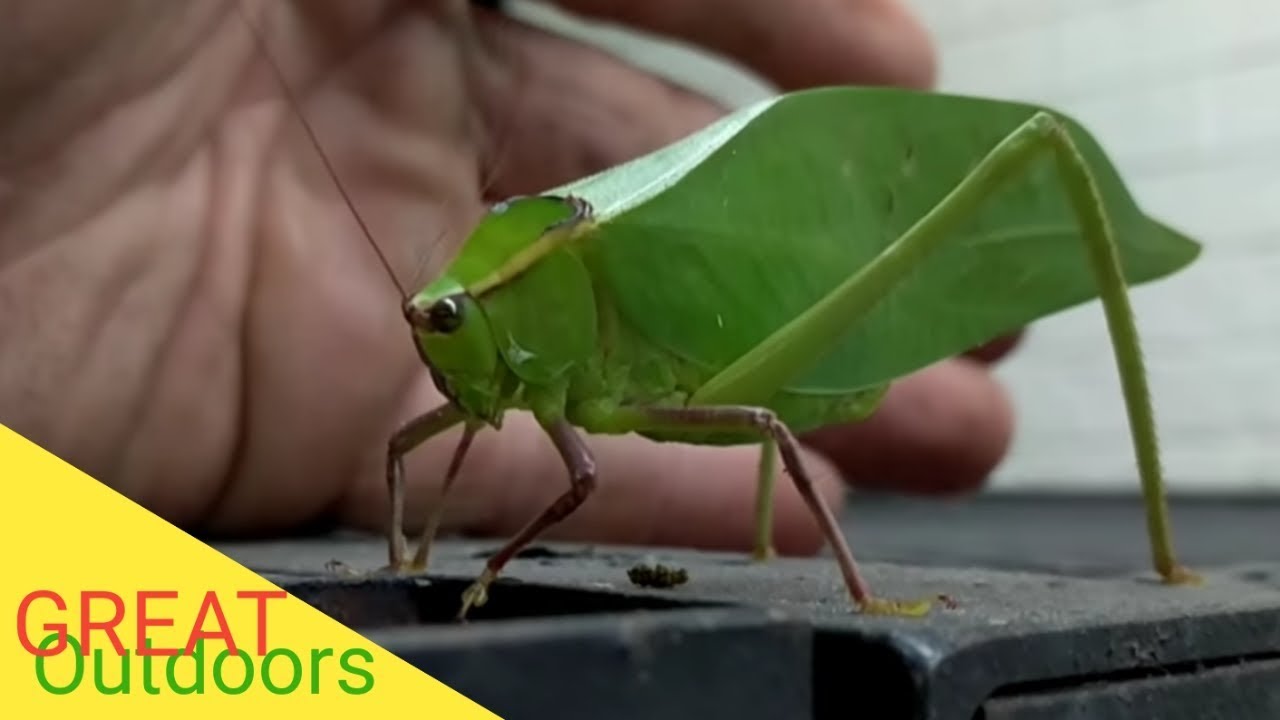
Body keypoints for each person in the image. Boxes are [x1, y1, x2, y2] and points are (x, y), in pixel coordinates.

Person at [0, 0, 1017, 557]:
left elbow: (593, 477)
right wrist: (409, 557)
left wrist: (487, 568)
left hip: (746, 360)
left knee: (758, 425)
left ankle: (857, 589)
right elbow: (410, 458)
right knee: (417, 445)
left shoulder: (540, 283)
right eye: (435, 331)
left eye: (445, 326)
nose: (440, 358)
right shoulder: (481, 333)